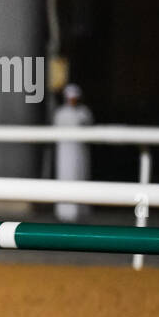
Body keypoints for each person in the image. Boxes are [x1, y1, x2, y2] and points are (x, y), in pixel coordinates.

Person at [53, 83, 94, 221]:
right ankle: (64, 212)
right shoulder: (60, 113)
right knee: (65, 178)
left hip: (80, 152)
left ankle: (81, 210)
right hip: (64, 153)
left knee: (80, 177)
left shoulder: (84, 112)